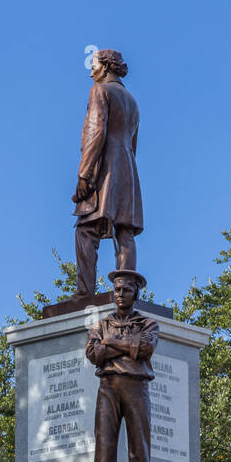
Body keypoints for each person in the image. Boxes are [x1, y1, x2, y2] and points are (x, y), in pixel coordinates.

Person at [84, 270, 159, 462]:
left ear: (135, 293)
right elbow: (94, 353)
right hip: (108, 387)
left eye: (125, 290)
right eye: (116, 290)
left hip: (137, 388)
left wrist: (110, 344)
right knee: (104, 454)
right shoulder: (100, 324)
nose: (119, 294)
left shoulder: (148, 324)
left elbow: (146, 348)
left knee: (140, 453)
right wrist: (128, 344)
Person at [72, 49, 143, 298]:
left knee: (85, 228)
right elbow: (134, 144)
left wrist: (85, 173)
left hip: (105, 168)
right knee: (125, 230)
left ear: (106, 66)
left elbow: (95, 133)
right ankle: (127, 290)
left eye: (94, 65)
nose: (91, 71)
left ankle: (84, 293)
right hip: (128, 169)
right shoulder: (132, 101)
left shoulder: (99, 91)